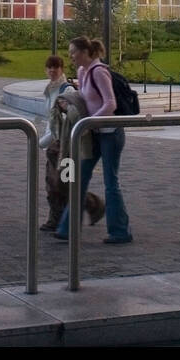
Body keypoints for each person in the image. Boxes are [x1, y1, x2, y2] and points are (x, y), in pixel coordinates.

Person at [54, 36, 132, 244]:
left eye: (73, 52)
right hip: (94, 133)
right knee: (80, 177)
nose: (70, 56)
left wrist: (89, 121)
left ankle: (120, 231)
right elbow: (86, 99)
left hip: (110, 132)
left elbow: (110, 103)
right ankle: (67, 227)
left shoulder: (99, 71)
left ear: (85, 52)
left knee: (110, 182)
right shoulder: (82, 72)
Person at [39, 55, 103, 230]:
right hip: (54, 144)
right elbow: (51, 121)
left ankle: (93, 205)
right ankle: (56, 219)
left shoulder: (66, 90)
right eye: (49, 67)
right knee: (52, 183)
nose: (52, 71)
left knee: (64, 184)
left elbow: (74, 116)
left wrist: (44, 140)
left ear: (62, 69)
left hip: (65, 145)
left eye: (56, 67)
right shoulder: (49, 90)